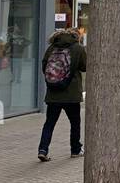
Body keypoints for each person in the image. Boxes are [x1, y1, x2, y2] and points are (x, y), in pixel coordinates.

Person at [37, 27, 87, 161]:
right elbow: (84, 66)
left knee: (49, 123)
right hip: (71, 94)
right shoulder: (78, 48)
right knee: (75, 123)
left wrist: (55, 78)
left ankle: (43, 149)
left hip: (53, 93)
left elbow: (44, 66)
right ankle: (75, 149)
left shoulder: (52, 48)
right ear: (76, 36)